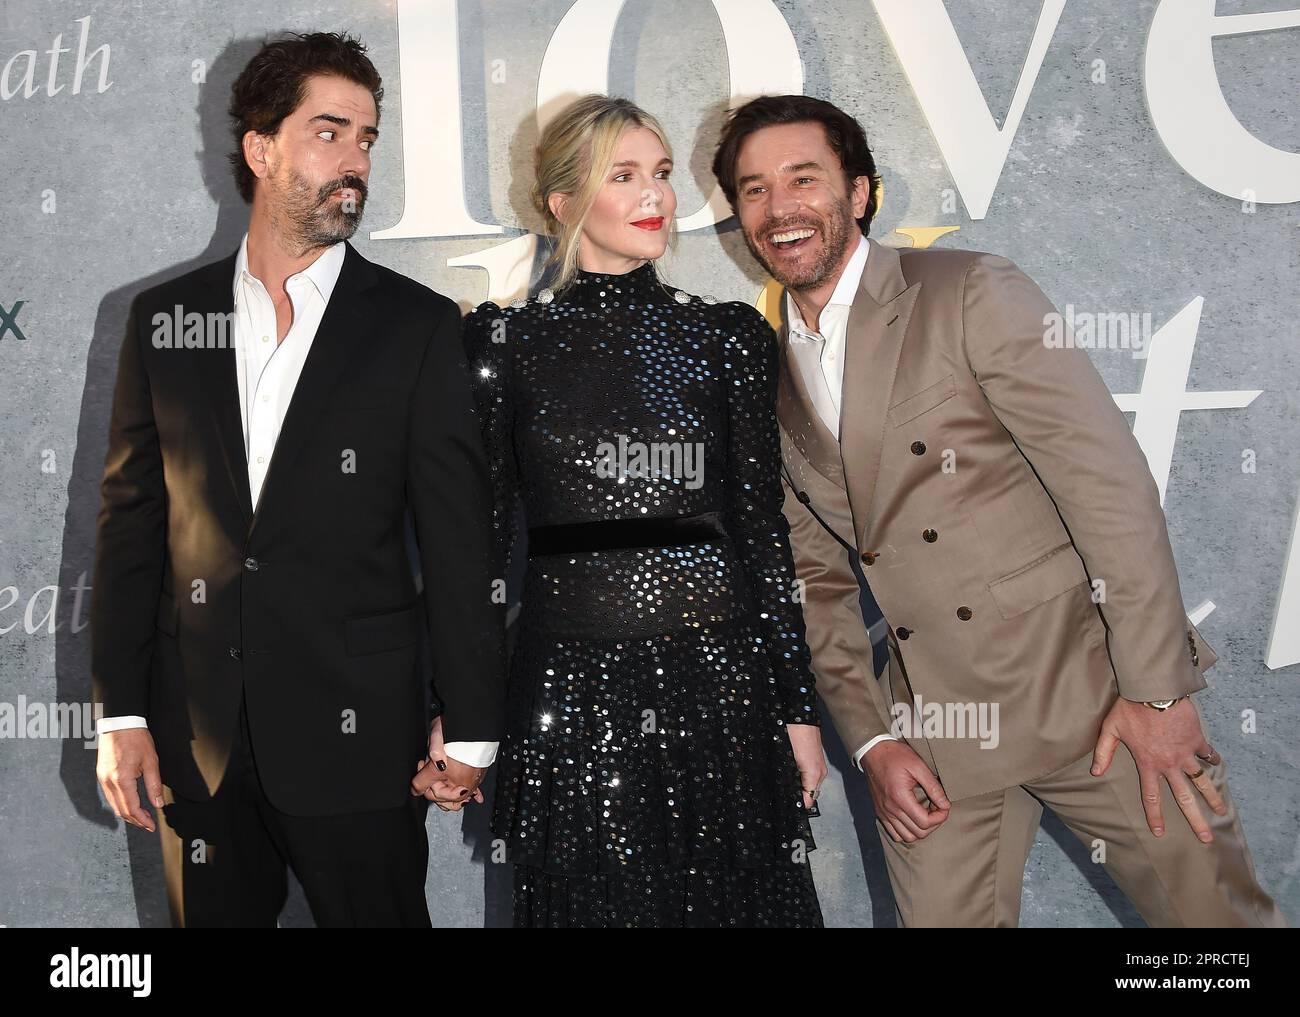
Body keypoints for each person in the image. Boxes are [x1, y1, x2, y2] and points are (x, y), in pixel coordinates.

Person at [711, 93, 1286, 927]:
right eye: (755, 189)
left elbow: (1109, 487)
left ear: (861, 192)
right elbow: (817, 585)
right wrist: (874, 739)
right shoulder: (769, 374)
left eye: (804, 178)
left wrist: (1158, 695)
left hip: (1098, 704)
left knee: (1217, 943)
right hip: (936, 736)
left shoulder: (969, 290)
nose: (781, 207)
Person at [91, 31, 505, 927]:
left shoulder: (416, 325)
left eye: (367, 137)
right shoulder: (165, 319)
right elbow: (130, 528)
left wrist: (470, 724)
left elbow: (459, 539)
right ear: (260, 147)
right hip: (194, 741)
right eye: (329, 132)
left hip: (360, 736)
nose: (355, 160)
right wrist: (120, 714)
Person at [452, 94, 825, 927]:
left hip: (722, 683)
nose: (657, 195)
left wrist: (798, 708)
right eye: (625, 176)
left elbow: (763, 536)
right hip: (571, 688)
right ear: (562, 202)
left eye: (661, 174)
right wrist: (460, 708)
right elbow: (474, 548)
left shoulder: (727, 335)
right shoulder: (503, 343)